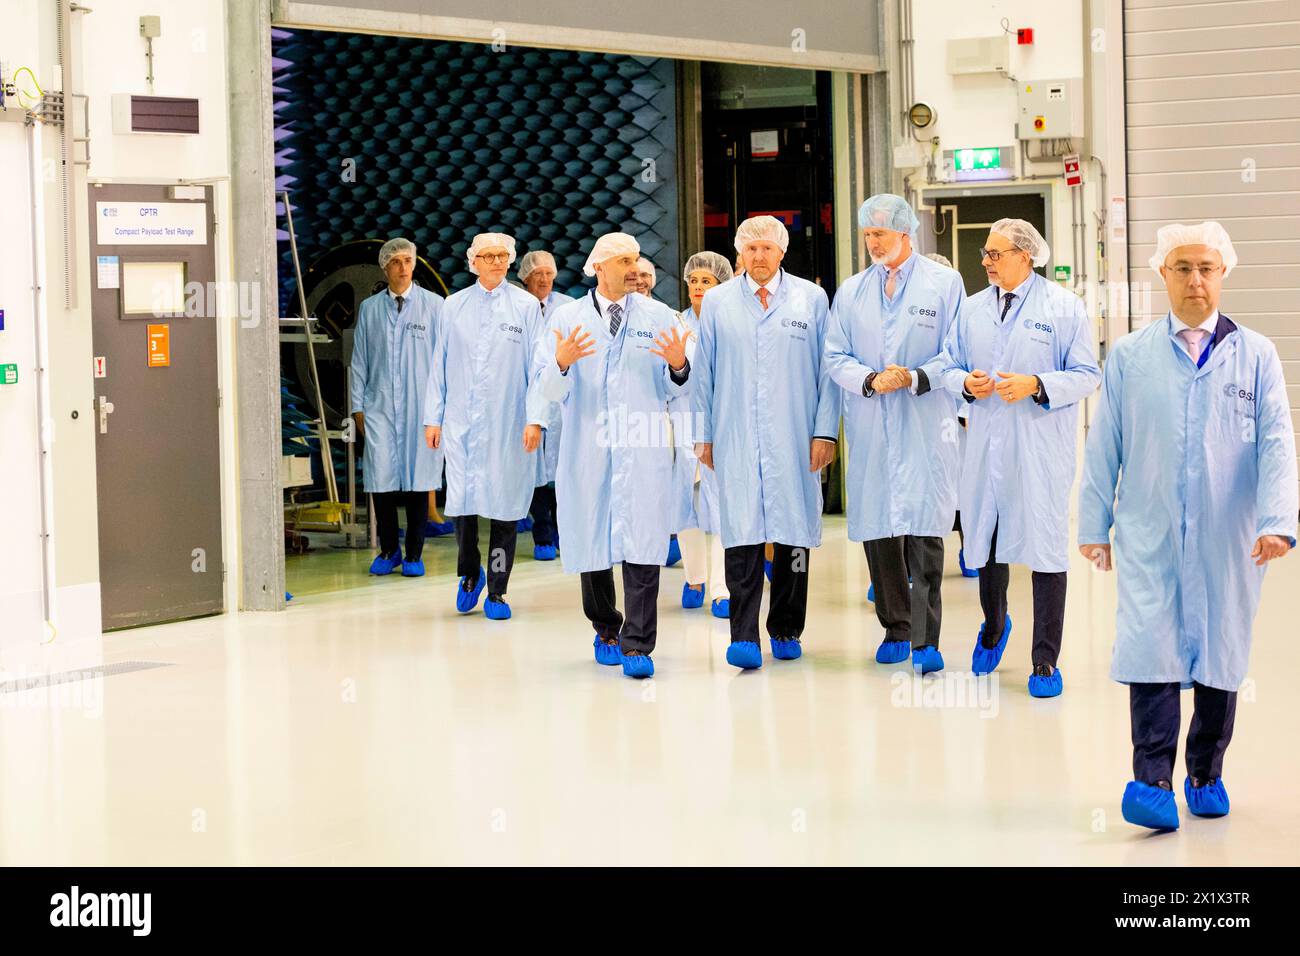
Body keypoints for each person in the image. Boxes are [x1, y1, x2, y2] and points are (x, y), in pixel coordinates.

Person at [1077, 221, 1297, 831]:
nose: (1195, 279)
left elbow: (1278, 443)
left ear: (1223, 273)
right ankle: (1151, 781)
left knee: (1219, 653)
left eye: (1206, 268)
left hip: (1229, 535)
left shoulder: (1255, 354)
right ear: (1162, 275)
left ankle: (1205, 772)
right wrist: (1094, 523)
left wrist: (1279, 519)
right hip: (1149, 530)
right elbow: (1105, 446)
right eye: (1182, 268)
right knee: (1152, 649)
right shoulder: (1130, 356)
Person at [938, 219, 1100, 696]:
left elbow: (1088, 373)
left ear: (1024, 256)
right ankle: (994, 625)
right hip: (985, 442)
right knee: (985, 536)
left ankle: (1045, 658)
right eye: (985, 254)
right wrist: (965, 384)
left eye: (994, 253)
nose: (985, 261)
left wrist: (1037, 385)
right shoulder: (971, 310)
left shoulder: (1063, 307)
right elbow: (948, 364)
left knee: (1046, 545)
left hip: (1038, 445)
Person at [527, 233, 692, 679]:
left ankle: (639, 643)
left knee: (643, 538)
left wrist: (679, 365)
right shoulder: (567, 319)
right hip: (588, 448)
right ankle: (606, 628)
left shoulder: (660, 316)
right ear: (599, 267)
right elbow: (546, 389)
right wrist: (561, 363)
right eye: (624, 261)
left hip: (642, 445)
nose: (634, 268)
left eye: (636, 259)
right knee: (592, 538)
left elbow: (677, 386)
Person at [693, 215, 842, 670]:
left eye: (767, 249)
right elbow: (704, 372)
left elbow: (827, 372)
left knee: (793, 532)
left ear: (782, 252)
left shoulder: (811, 299)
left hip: (795, 436)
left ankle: (786, 627)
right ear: (740, 253)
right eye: (751, 249)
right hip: (735, 433)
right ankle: (743, 635)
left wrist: (824, 431)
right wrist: (704, 435)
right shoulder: (719, 301)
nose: (759, 257)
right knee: (742, 531)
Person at [825, 195, 965, 673]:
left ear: (905, 233)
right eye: (866, 235)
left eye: (879, 234)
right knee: (879, 525)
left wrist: (914, 376)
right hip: (872, 421)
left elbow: (956, 352)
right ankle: (895, 627)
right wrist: (869, 380)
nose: (871, 243)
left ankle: (926, 639)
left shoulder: (945, 284)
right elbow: (834, 355)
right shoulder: (851, 291)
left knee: (925, 525)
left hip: (924, 418)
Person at [423, 233, 544, 620]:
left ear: (510, 261)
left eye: (502, 255)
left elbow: (537, 369)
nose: (495, 261)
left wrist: (534, 418)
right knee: (462, 503)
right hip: (461, 423)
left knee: (504, 506)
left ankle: (497, 588)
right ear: (472, 261)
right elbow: (438, 363)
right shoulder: (453, 306)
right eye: (487, 255)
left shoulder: (525, 307)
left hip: (508, 424)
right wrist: (433, 417)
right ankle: (469, 571)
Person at [349, 237, 444, 577]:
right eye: (396, 262)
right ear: (385, 267)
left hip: (422, 407)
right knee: (381, 479)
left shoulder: (434, 306)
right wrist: (357, 406)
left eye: (407, 261)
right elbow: (359, 361)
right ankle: (389, 550)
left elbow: (443, 361)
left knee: (420, 480)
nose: (403, 268)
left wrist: (441, 409)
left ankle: (415, 553)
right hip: (380, 407)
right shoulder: (370, 309)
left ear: (414, 265)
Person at [669, 251, 733, 616]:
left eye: (706, 282)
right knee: (686, 503)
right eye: (693, 281)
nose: (697, 287)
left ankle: (723, 589)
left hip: (721, 424)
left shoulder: (730, 323)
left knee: (723, 508)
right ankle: (694, 578)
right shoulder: (675, 323)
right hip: (682, 425)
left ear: (720, 285)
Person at [518, 249, 574, 560]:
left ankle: (561, 531)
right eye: (537, 274)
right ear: (526, 277)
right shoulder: (519, 307)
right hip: (527, 397)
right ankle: (541, 534)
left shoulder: (567, 308)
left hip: (559, 398)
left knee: (559, 470)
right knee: (535, 471)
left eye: (548, 274)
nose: (544, 279)